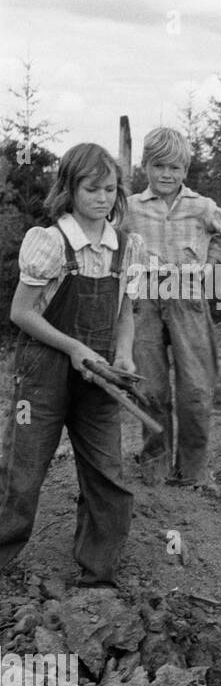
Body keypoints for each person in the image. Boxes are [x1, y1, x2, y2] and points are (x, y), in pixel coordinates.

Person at [0, 144, 147, 588]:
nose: (102, 198)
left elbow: (125, 312)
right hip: (44, 368)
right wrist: (73, 349)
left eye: (110, 189)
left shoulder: (127, 247)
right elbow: (21, 313)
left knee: (108, 474)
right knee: (23, 472)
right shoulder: (49, 242)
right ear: (69, 189)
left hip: (100, 371)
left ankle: (98, 576)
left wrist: (123, 355)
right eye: (91, 189)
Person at [126, 127, 221, 489]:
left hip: (188, 299)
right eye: (159, 166)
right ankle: (156, 466)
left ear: (185, 171)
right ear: (146, 166)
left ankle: (193, 471)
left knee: (195, 388)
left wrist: (211, 267)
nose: (166, 175)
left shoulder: (201, 206)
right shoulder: (130, 207)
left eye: (175, 168)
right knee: (151, 388)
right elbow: (110, 239)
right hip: (143, 300)